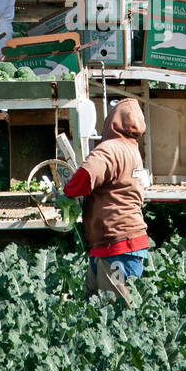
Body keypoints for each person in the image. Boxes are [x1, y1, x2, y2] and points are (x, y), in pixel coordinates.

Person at [62, 98, 149, 307]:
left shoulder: (110, 149)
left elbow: (86, 175)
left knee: (116, 310)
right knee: (94, 305)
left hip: (116, 241)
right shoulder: (131, 149)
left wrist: (68, 193)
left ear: (113, 121)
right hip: (121, 242)